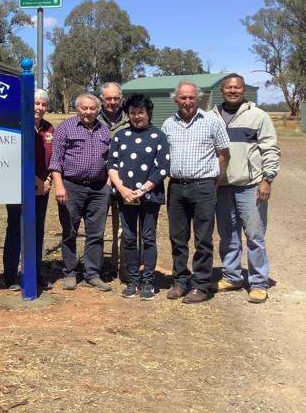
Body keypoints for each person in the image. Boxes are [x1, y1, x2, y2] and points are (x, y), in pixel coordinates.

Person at [212, 74, 280, 304]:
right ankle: (232, 276)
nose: (233, 91)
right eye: (229, 87)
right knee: (228, 235)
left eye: (237, 87)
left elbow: (270, 149)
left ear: (244, 90)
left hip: (251, 186)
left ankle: (259, 282)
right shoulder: (211, 117)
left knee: (255, 235)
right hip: (222, 187)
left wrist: (267, 179)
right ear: (222, 91)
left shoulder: (258, 116)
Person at [161, 80, 230, 304]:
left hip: (203, 186)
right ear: (176, 99)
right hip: (176, 187)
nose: (188, 102)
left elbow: (223, 155)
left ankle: (201, 285)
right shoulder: (168, 124)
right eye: (183, 98)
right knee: (178, 238)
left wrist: (213, 182)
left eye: (192, 97)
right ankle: (180, 281)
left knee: (203, 238)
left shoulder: (212, 121)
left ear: (197, 98)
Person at [107, 93, 170, 300]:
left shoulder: (158, 136)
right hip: (125, 196)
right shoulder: (120, 136)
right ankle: (132, 279)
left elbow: (162, 168)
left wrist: (142, 190)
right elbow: (112, 165)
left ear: (148, 113)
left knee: (148, 238)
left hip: (150, 197)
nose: (136, 116)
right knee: (129, 237)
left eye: (140, 112)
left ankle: (148, 281)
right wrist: (123, 190)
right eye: (132, 113)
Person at [49, 92, 112, 291]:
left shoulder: (104, 129)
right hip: (71, 186)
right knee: (69, 231)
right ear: (77, 109)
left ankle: (92, 273)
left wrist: (109, 184)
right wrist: (59, 185)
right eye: (84, 108)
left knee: (96, 233)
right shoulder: (65, 128)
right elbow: (56, 160)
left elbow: (111, 159)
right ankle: (70, 273)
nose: (88, 112)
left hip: (99, 188)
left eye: (92, 108)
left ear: (98, 109)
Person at [3, 89, 54, 291]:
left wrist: (48, 179)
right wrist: (36, 180)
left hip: (43, 189)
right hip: (18, 187)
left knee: (37, 230)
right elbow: (17, 158)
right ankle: (10, 275)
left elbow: (54, 155)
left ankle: (34, 273)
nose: (39, 108)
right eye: (36, 103)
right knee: (16, 228)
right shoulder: (18, 125)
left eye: (43, 104)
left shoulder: (49, 128)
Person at [98, 82, 130, 279]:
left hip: (124, 182)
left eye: (115, 98)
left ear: (121, 98)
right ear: (102, 99)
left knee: (123, 227)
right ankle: (96, 267)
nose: (112, 102)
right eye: (108, 98)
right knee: (97, 226)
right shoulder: (93, 117)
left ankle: (122, 267)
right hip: (99, 182)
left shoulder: (130, 119)